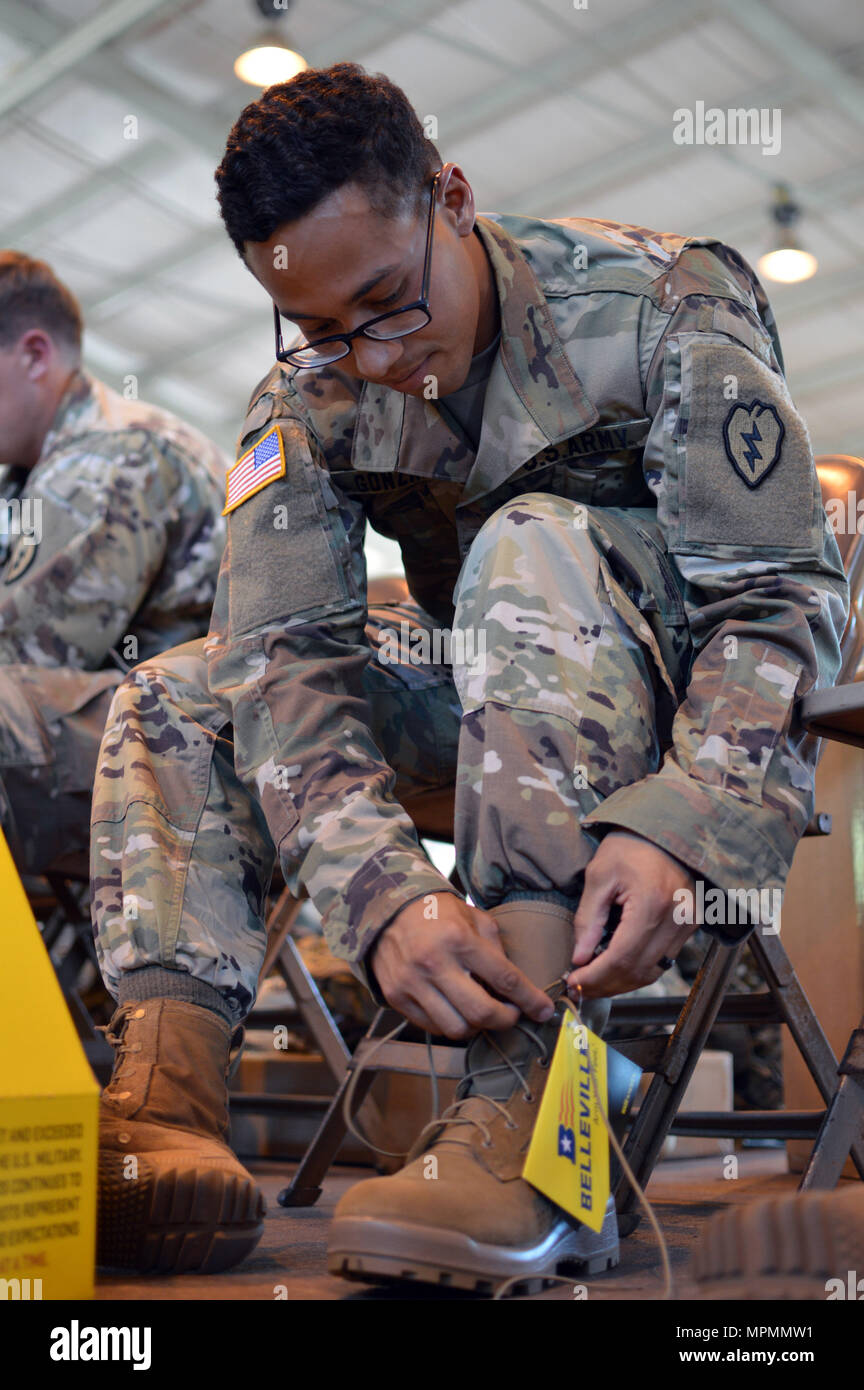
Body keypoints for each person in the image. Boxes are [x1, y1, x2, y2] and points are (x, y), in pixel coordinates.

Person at [90, 63, 849, 1287]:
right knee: (177, 689)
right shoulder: (310, 394)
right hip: (500, 688)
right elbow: (286, 664)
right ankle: (168, 1113)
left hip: (681, 713)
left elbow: (779, 603)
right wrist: (383, 894)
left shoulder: (662, 300)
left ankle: (533, 1123)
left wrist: (686, 821)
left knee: (530, 538)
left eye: (388, 304)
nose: (369, 358)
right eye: (321, 326)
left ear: (451, 196)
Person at [0, 251, 228, 879]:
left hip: (199, 741)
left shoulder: (106, 459)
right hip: (136, 724)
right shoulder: (34, 475)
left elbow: (27, 654)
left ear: (35, 355)